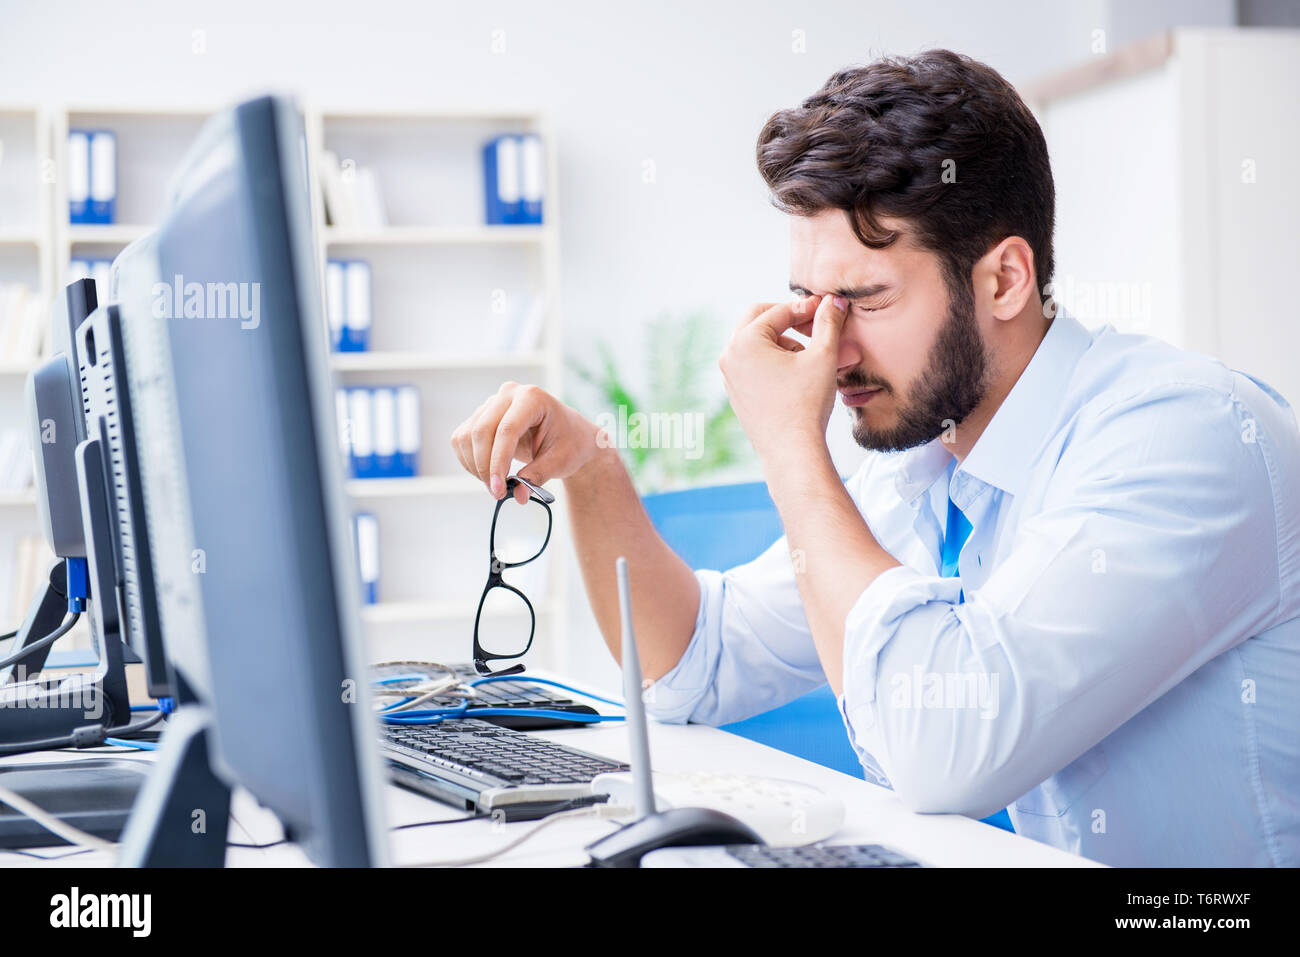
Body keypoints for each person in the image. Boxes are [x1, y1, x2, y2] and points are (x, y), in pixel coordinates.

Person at [449, 49, 1300, 867]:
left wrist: (790, 443)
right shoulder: (926, 451)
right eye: (808, 303)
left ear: (1004, 280)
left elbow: (949, 753)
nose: (830, 349)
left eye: (864, 300)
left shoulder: (1185, 435)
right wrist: (592, 467)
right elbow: (693, 666)